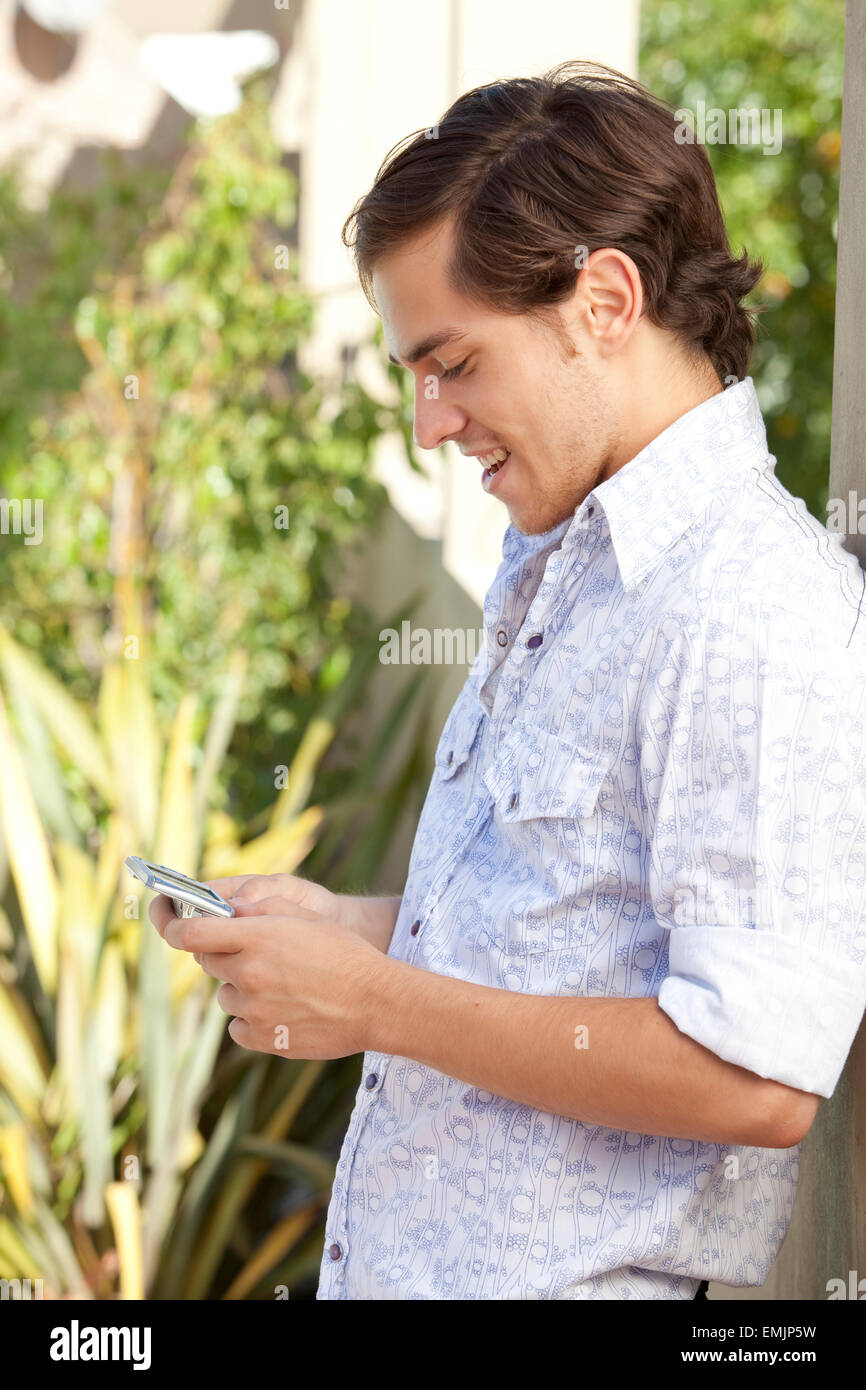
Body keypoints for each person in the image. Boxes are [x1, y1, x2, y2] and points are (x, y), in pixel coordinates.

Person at [151, 61, 866, 1300]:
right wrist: (352, 936)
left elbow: (753, 1076)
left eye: (455, 365)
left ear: (602, 299)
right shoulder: (567, 560)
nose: (430, 423)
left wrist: (375, 999)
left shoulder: (748, 601)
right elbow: (578, 941)